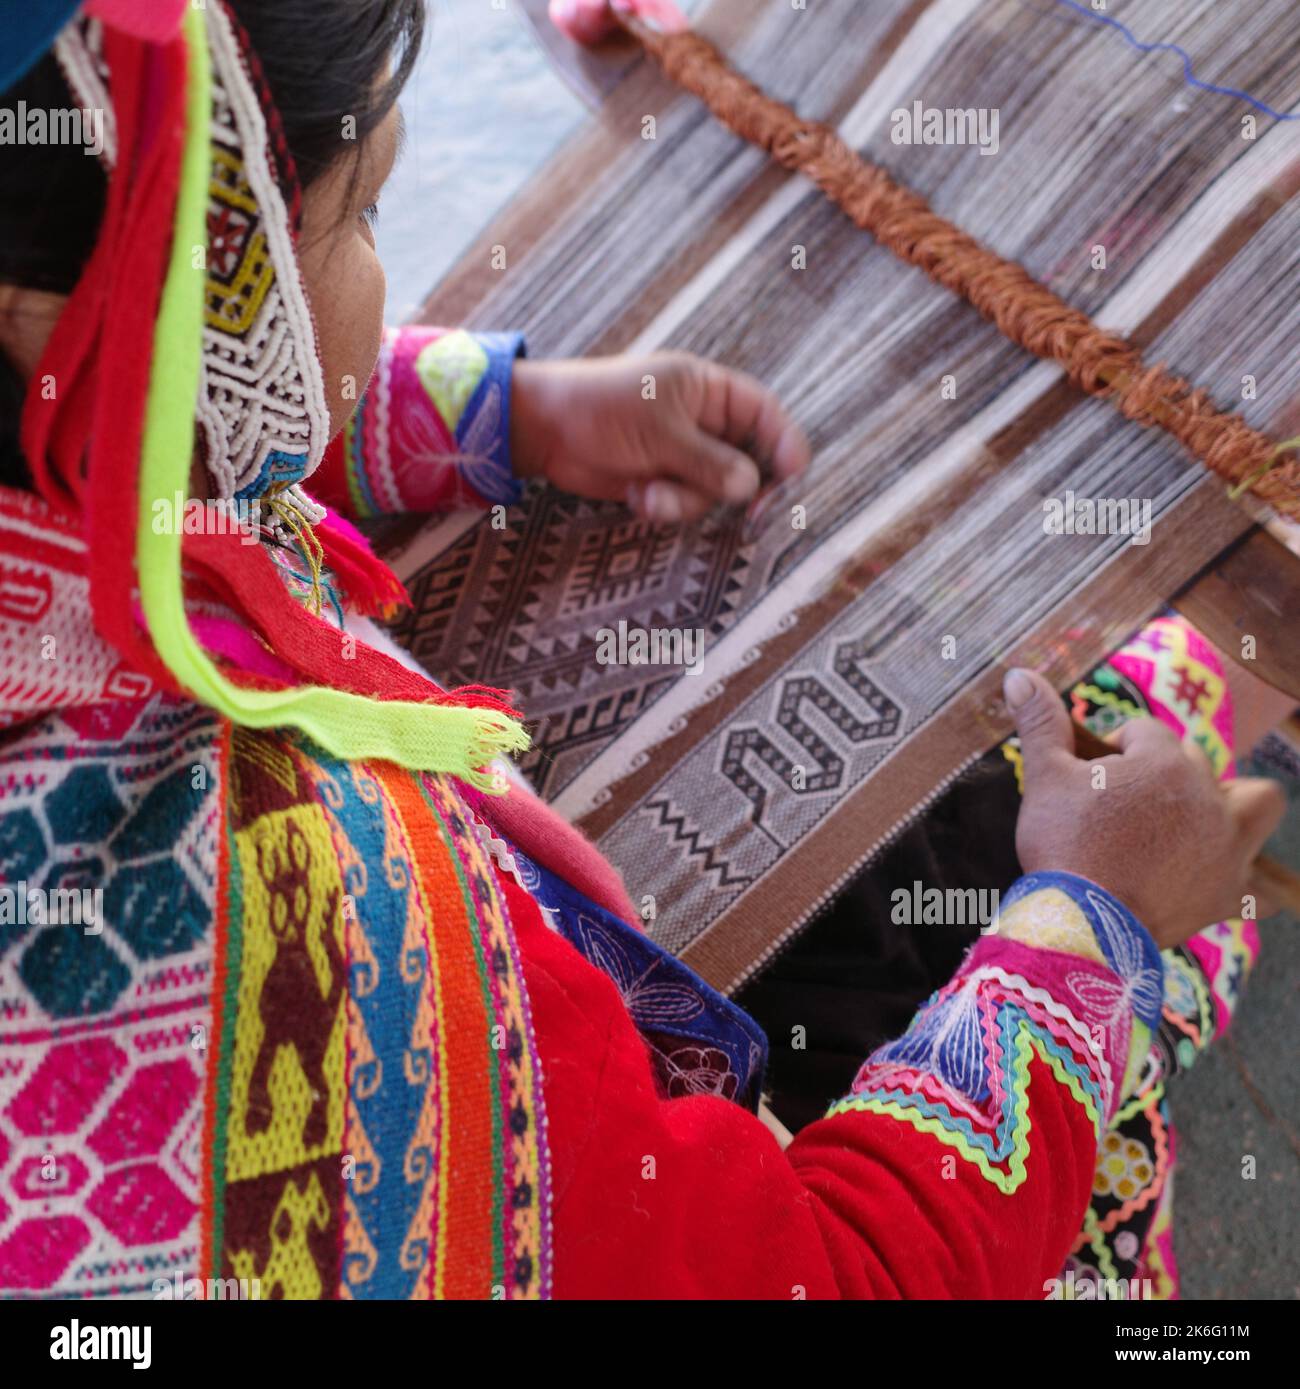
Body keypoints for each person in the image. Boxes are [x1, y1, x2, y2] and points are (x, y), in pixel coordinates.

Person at [0, 0, 1286, 1300]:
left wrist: (499, 409)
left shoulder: (54, 436)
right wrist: (1088, 926)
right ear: (65, 321)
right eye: (364, 212)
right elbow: (832, 1280)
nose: (377, 261)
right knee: (1148, 797)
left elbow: (169, 406)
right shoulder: (325, 977)